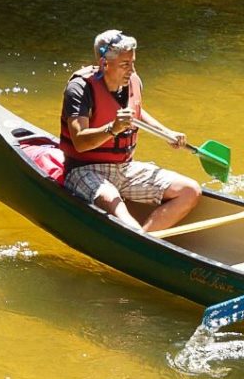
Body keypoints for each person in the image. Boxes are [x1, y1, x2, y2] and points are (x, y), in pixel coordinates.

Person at [58, 29, 201, 232]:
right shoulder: (80, 89)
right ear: (103, 63)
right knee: (120, 213)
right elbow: (80, 141)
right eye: (125, 65)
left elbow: (137, 113)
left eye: (132, 63)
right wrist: (112, 128)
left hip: (124, 168)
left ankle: (145, 238)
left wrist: (166, 132)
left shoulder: (132, 82)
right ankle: (140, 241)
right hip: (85, 169)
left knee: (190, 191)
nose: (131, 70)